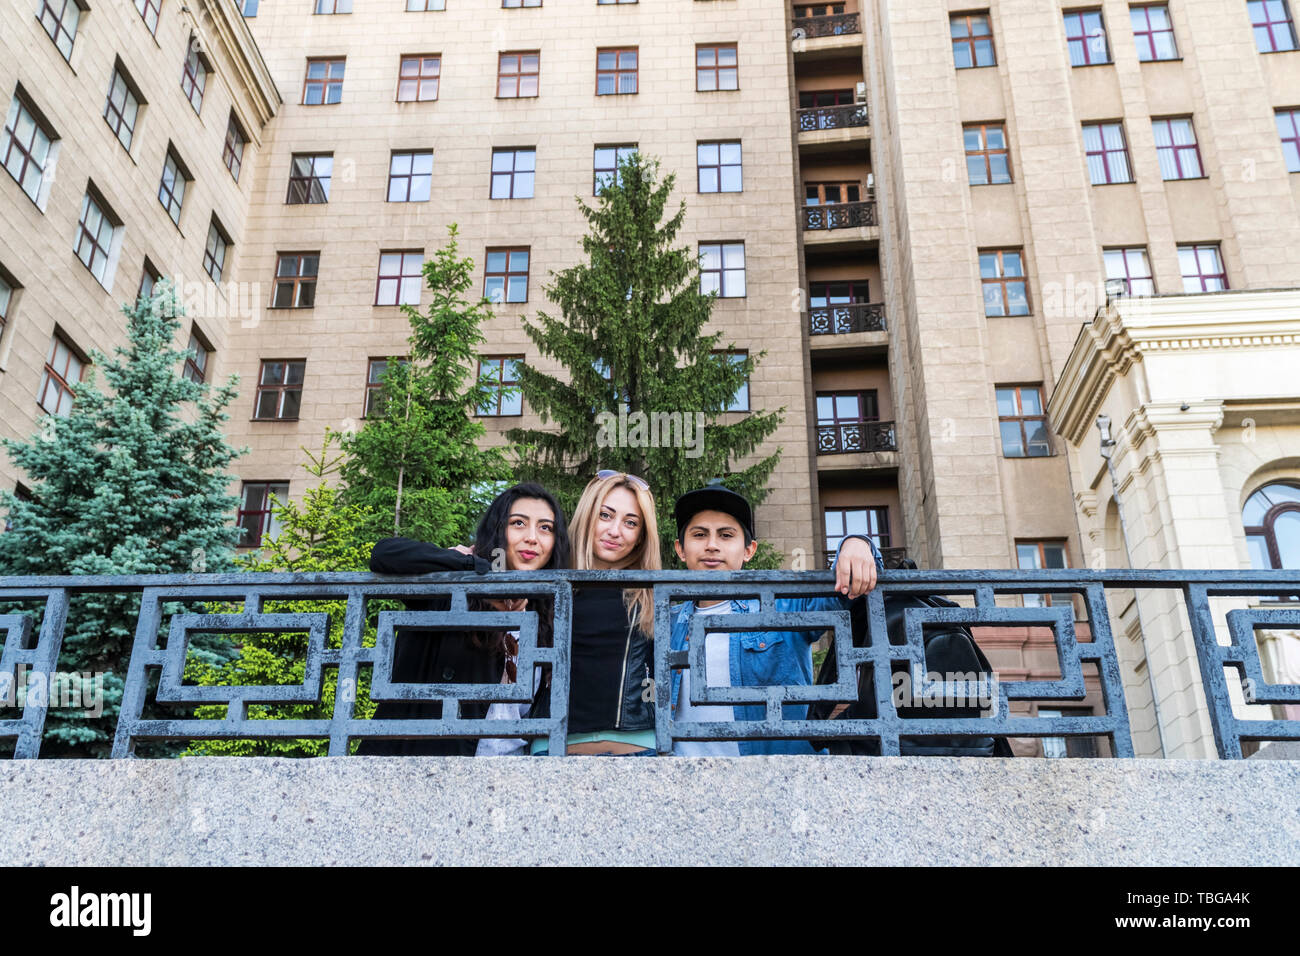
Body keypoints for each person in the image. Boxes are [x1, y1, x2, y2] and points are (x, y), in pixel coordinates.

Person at [357, 482, 569, 756]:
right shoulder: (454, 591)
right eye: (518, 523)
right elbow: (384, 554)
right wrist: (468, 567)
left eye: (545, 528)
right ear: (497, 530)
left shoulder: (547, 618)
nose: (532, 538)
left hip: (512, 775)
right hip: (425, 766)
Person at [668, 484, 881, 755]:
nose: (712, 545)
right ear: (681, 549)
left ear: (748, 550)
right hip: (687, 784)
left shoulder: (784, 606)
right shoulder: (666, 623)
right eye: (699, 535)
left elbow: (843, 594)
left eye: (726, 535)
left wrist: (857, 543)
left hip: (775, 783)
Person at [529, 470, 660, 755]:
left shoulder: (652, 596)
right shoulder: (546, 585)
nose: (615, 531)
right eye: (605, 515)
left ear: (641, 536)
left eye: (630, 523)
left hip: (637, 750)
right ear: (588, 515)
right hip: (552, 749)